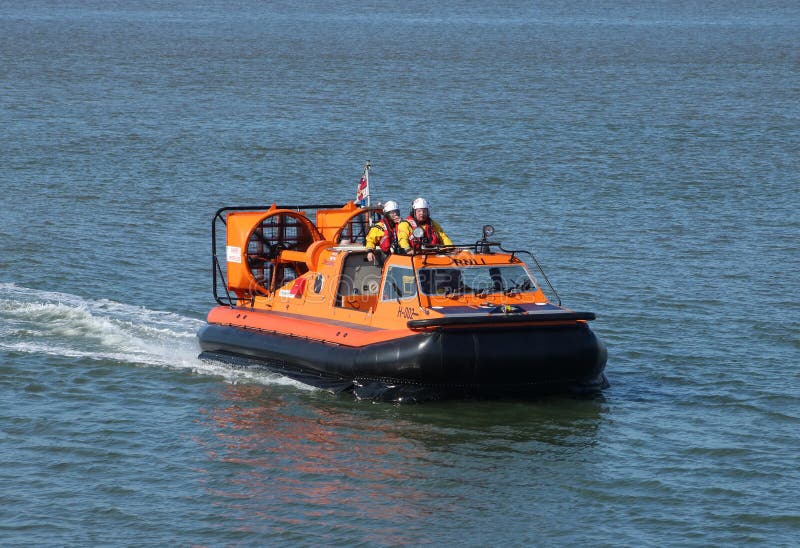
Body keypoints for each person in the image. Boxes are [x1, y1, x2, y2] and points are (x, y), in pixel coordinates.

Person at [365, 200, 402, 264]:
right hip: (387, 256)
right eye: (392, 213)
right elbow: (370, 240)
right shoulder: (379, 227)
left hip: (401, 254)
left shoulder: (403, 225)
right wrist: (370, 252)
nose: (395, 214)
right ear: (387, 214)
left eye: (396, 212)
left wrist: (402, 224)